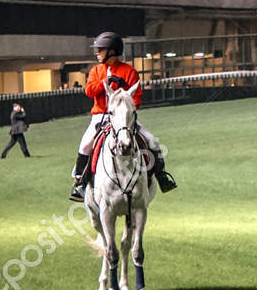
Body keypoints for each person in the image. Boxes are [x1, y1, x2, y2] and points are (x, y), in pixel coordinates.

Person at [68, 31, 176, 201]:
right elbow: (89, 91)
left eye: (100, 50)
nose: (97, 53)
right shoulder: (96, 71)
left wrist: (124, 97)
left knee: (151, 140)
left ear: (111, 51)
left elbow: (137, 99)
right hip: (100, 116)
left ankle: (161, 176)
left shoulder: (129, 71)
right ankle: (79, 184)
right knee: (85, 145)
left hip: (124, 118)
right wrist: (106, 82)